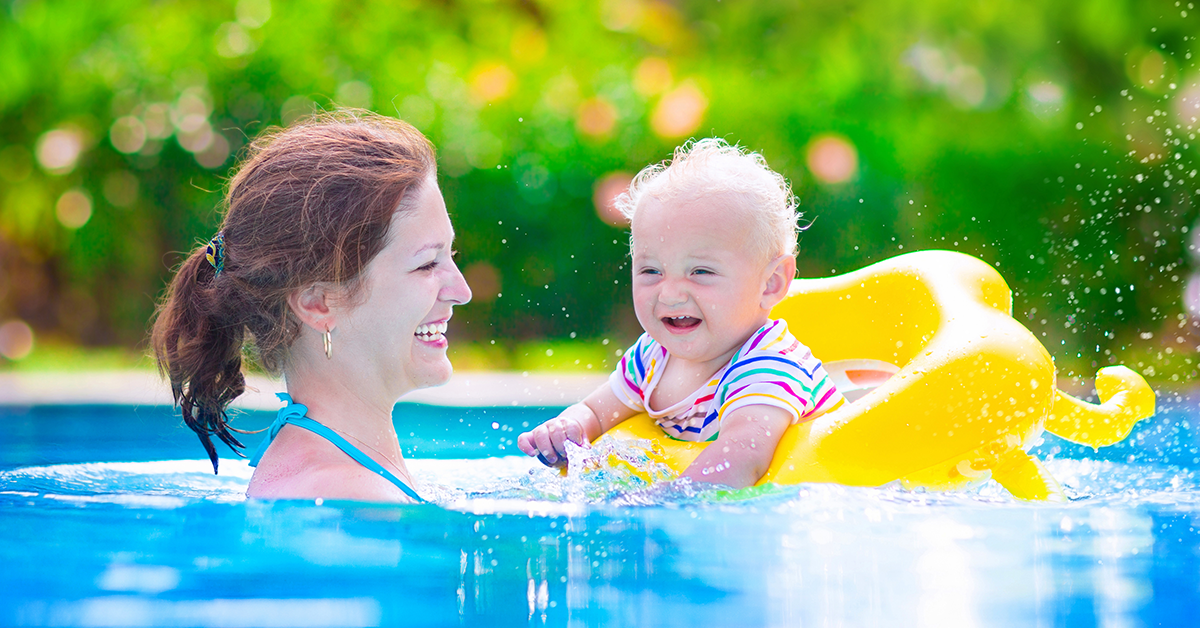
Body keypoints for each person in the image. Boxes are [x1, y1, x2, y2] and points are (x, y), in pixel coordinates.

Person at [151, 110, 471, 503]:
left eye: (450, 254)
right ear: (319, 303)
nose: (462, 290)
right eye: (427, 264)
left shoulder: (344, 474)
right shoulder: (347, 497)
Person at [517, 138, 843, 488]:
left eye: (701, 272)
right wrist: (568, 427)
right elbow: (597, 412)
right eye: (650, 271)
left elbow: (741, 457)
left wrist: (668, 501)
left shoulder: (770, 365)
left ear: (771, 283)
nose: (669, 293)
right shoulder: (651, 356)